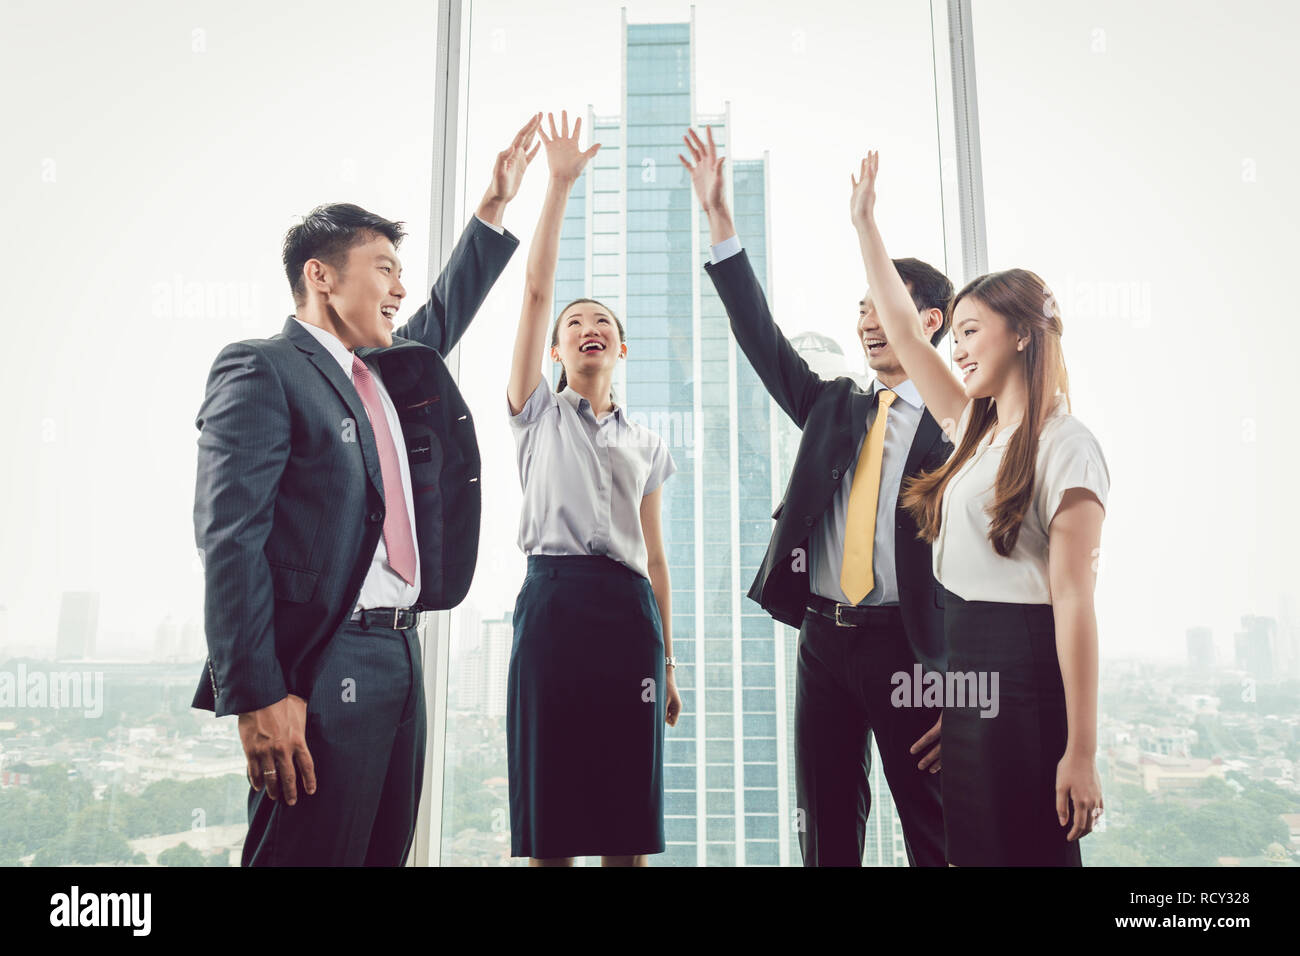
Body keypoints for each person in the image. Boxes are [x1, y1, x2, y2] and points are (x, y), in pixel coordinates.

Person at [190, 114, 541, 866]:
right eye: (383, 268)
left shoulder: (382, 371)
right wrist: (257, 693)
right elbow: (230, 538)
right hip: (323, 663)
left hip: (400, 654)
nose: (399, 288)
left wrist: (494, 206)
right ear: (321, 276)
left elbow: (443, 310)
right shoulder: (263, 368)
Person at [680, 126, 954, 867]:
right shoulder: (834, 405)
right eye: (860, 308)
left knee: (932, 824)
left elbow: (989, 570)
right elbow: (760, 338)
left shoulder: (961, 428)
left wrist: (960, 684)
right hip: (824, 640)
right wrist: (720, 220)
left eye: (881, 305)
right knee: (826, 825)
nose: (865, 321)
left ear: (927, 323)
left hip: (910, 648)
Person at [849, 149, 1109, 866]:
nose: (957, 348)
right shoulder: (973, 430)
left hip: (1025, 676)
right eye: (955, 332)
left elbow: (1074, 603)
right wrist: (864, 225)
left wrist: (1082, 752)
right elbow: (908, 332)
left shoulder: (1067, 446)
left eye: (970, 330)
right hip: (969, 674)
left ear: (1022, 333)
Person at [506, 111, 682, 867]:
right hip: (553, 606)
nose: (588, 326)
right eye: (574, 322)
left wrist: (667, 662)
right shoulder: (536, 414)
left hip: (629, 614)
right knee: (552, 815)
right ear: (556, 349)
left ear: (621, 347)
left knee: (625, 820)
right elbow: (535, 289)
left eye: (602, 321)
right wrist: (558, 186)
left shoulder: (647, 442)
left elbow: (657, 559)